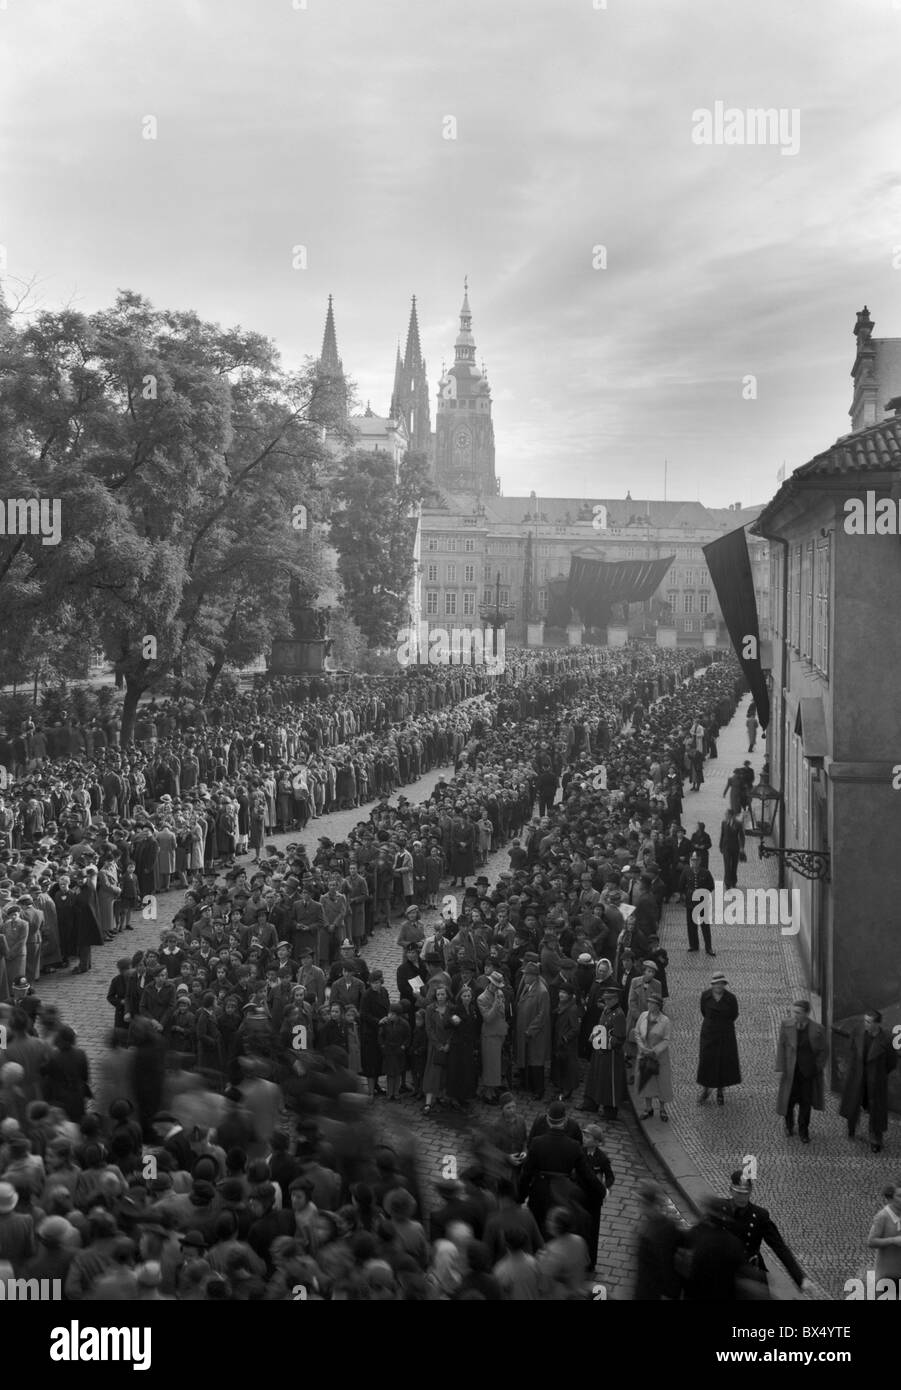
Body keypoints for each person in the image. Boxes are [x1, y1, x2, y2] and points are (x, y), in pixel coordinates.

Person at [719, 1171, 812, 1295]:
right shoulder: (720, 1210)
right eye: (739, 1193)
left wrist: (800, 1278)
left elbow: (779, 1247)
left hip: (751, 1271)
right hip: (725, 1270)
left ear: (750, 1192)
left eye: (745, 1193)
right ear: (731, 1191)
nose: (742, 1197)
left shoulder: (759, 1216)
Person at [839, 1009, 897, 1153]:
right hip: (857, 1076)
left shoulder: (887, 1039)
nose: (865, 1024)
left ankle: (875, 1138)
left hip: (875, 1080)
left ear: (877, 1024)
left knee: (876, 1110)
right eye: (865, 1020)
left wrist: (879, 1074)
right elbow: (852, 1049)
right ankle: (851, 1127)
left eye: (869, 1022)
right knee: (853, 1103)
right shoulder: (858, 1032)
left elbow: (892, 1062)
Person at [775, 1000, 827, 1144]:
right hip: (791, 1072)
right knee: (789, 1101)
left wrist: (817, 1067)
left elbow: (823, 1051)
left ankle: (804, 1130)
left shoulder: (817, 1029)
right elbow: (781, 1046)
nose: (795, 1015)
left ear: (806, 1013)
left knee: (806, 1103)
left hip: (807, 1073)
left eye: (798, 1012)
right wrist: (780, 1067)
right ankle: (789, 1125)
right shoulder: (786, 1025)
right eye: (794, 1012)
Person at [581, 984, 627, 1120]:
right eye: (605, 1000)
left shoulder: (619, 1015)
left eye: (608, 1000)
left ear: (615, 1000)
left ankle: (610, 1109)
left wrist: (604, 1044)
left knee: (608, 1082)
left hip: (610, 1055)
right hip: (599, 1050)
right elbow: (600, 1025)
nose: (605, 1002)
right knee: (595, 1077)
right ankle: (591, 1103)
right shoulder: (606, 1010)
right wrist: (594, 1034)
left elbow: (619, 1038)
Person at [696, 973, 741, 1105]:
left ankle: (720, 1091)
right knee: (706, 1062)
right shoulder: (706, 996)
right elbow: (703, 1011)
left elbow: (734, 1014)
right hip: (709, 1034)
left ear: (724, 984)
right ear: (712, 984)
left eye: (721, 983)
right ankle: (705, 1089)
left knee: (723, 1062)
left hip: (725, 1034)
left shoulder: (731, 998)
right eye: (716, 983)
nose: (718, 986)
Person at [632, 1181, 681, 1301]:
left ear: (647, 1204)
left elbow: (664, 1265)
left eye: (640, 1202)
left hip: (651, 1292)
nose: (638, 1206)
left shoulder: (649, 1233)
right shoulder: (669, 1224)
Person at [633, 996, 672, 1122]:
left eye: (652, 1003)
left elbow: (666, 1040)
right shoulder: (643, 1016)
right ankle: (648, 1107)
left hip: (659, 1057)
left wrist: (654, 1051)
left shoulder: (665, 1021)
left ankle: (662, 1109)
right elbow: (637, 1032)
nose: (649, 1005)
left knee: (662, 1082)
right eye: (649, 1002)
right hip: (644, 1054)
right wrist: (642, 1047)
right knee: (646, 1081)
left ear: (658, 1006)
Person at [678, 851, 715, 956]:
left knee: (705, 926)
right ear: (690, 860)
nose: (695, 862)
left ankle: (708, 947)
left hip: (702, 903)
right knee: (691, 925)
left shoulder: (705, 872)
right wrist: (686, 894)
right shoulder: (686, 872)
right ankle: (693, 945)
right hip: (690, 902)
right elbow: (681, 885)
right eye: (693, 860)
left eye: (696, 860)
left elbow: (711, 886)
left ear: (700, 860)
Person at [866, 1183, 901, 1296]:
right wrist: (893, 1240)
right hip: (886, 1275)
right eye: (899, 1196)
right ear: (890, 1198)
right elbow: (871, 1241)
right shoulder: (882, 1216)